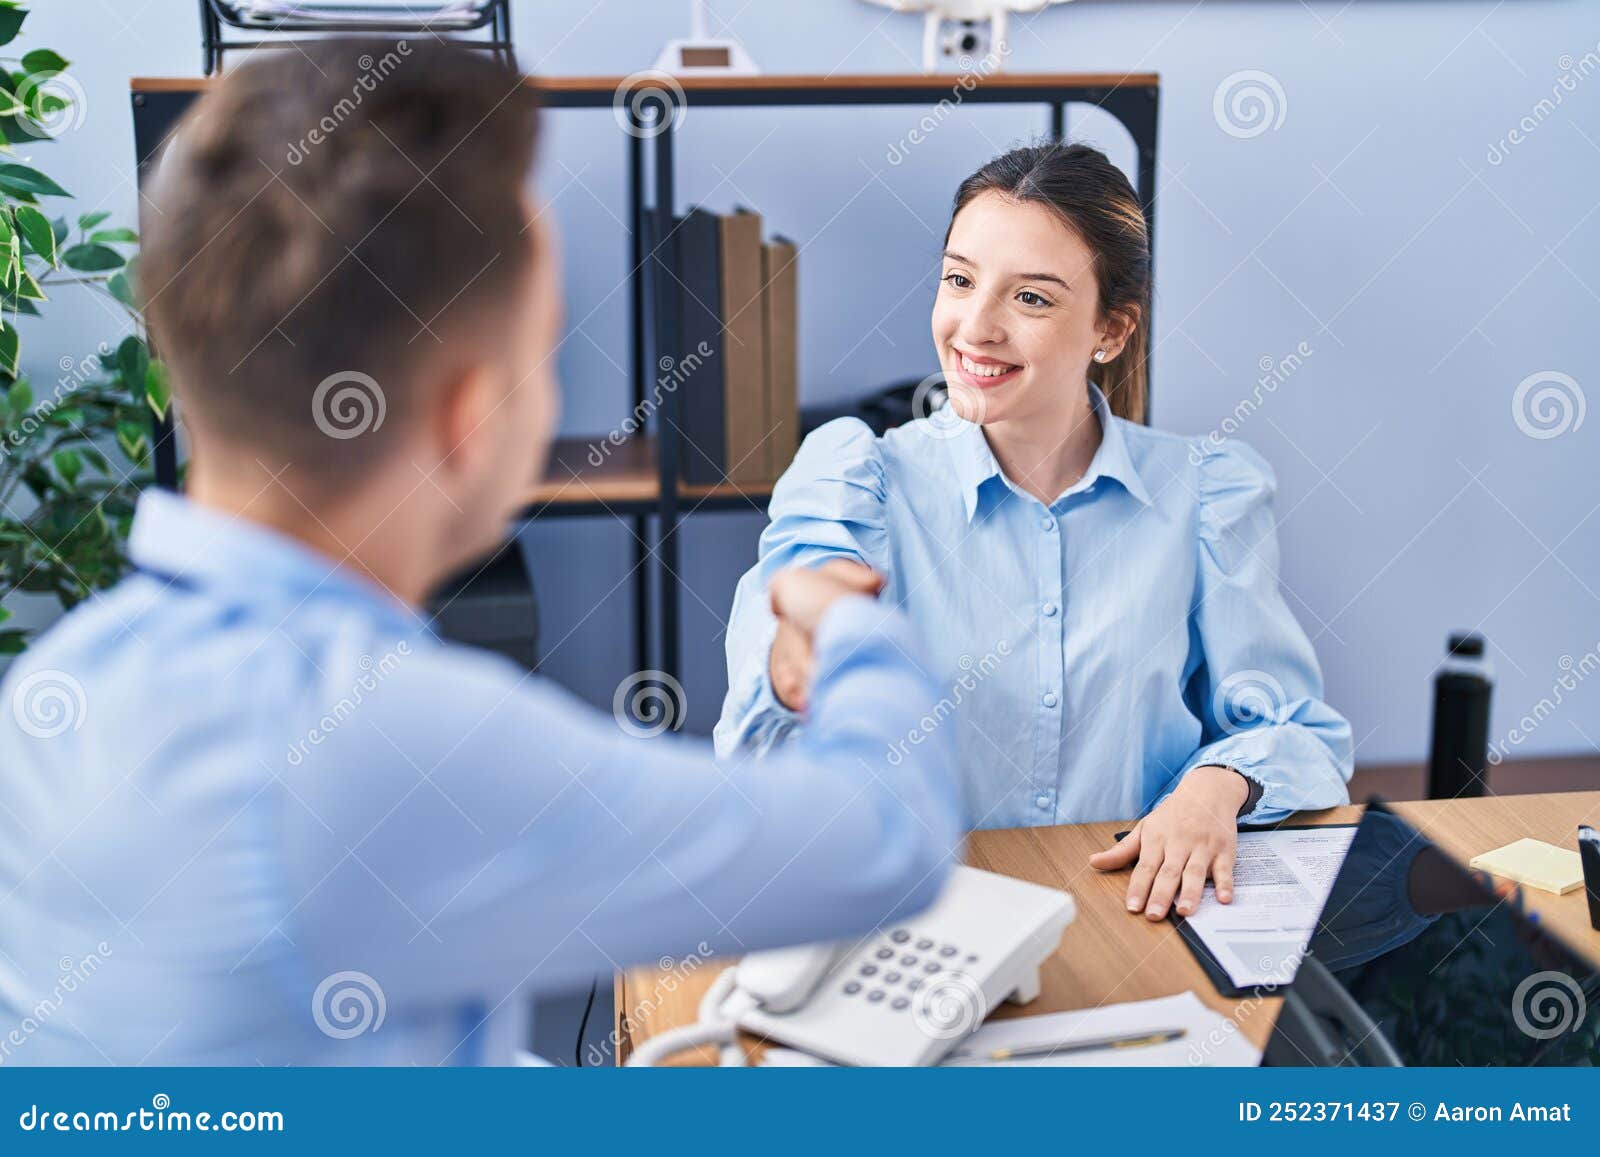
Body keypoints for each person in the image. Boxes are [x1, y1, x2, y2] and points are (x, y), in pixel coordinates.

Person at [0, 39, 961, 1066]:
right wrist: (850, 620)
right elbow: (884, 840)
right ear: (469, 417)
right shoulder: (385, 740)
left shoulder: (57, 685)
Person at [716, 142, 1352, 925]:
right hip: (916, 926)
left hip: (1128, 920)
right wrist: (791, 678)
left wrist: (1215, 787)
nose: (974, 328)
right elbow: (755, 756)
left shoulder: (1204, 494)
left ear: (1111, 330)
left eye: (1032, 299)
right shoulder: (856, 484)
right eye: (959, 280)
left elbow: (1299, 731)